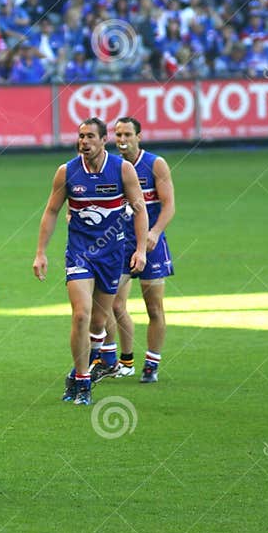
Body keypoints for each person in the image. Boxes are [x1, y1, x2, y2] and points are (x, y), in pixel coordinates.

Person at [32, 118, 148, 406]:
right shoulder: (67, 172)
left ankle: (83, 366)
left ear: (103, 140)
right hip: (80, 252)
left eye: (90, 137)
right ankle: (83, 380)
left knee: (99, 322)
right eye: (80, 136)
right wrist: (41, 252)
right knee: (81, 314)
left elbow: (140, 210)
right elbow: (51, 212)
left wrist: (141, 249)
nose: (83, 142)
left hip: (112, 254)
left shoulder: (122, 170)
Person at [90, 117, 176, 384]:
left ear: (139, 136)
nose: (122, 139)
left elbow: (169, 205)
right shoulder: (115, 167)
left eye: (127, 134)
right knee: (110, 304)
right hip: (119, 245)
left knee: (154, 308)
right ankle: (113, 360)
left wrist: (154, 232)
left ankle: (151, 363)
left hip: (151, 245)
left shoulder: (154, 164)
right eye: (118, 134)